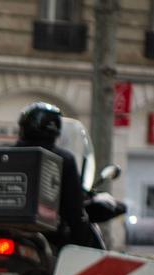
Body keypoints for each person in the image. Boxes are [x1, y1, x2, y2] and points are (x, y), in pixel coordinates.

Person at [16, 102, 100, 249]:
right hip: (51, 233)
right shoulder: (63, 158)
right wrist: (80, 231)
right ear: (54, 128)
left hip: (6, 228)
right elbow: (73, 204)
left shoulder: (7, 154)